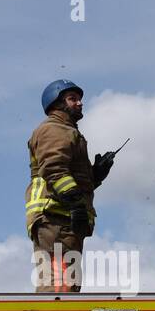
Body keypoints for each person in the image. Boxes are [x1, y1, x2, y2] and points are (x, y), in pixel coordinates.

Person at [27, 79, 117, 292]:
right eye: (73, 99)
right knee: (58, 285)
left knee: (67, 283)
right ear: (56, 104)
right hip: (56, 218)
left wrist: (95, 176)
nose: (79, 103)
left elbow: (65, 178)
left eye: (80, 99)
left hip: (63, 218)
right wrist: (76, 203)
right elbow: (54, 170)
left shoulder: (67, 131)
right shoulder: (54, 129)